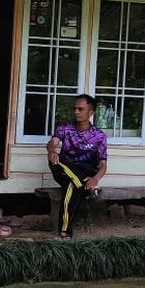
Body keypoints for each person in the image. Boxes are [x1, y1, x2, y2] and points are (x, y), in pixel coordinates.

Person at [46, 93, 108, 239]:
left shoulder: (99, 136)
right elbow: (53, 143)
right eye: (74, 109)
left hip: (85, 171)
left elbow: (103, 164)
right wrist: (52, 151)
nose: (76, 112)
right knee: (58, 160)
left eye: (80, 109)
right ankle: (83, 183)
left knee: (71, 187)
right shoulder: (65, 128)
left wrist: (95, 179)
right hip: (63, 169)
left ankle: (64, 231)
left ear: (90, 112)